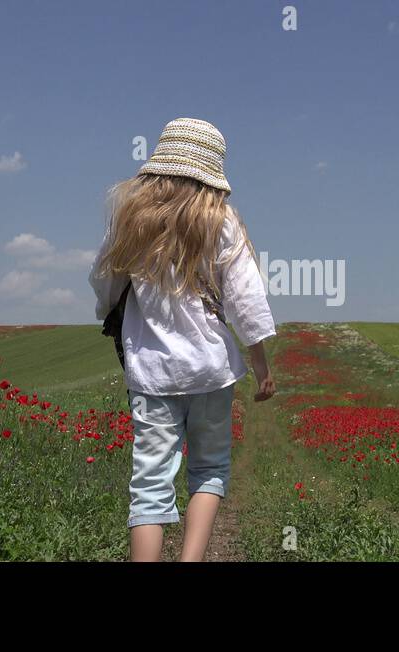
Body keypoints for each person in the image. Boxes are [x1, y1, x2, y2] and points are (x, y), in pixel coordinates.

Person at [89, 118, 276, 561]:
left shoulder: (132, 218)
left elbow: (104, 281)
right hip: (212, 373)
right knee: (209, 471)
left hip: (151, 375)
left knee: (149, 487)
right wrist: (262, 365)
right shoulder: (220, 220)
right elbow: (246, 299)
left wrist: (109, 314)